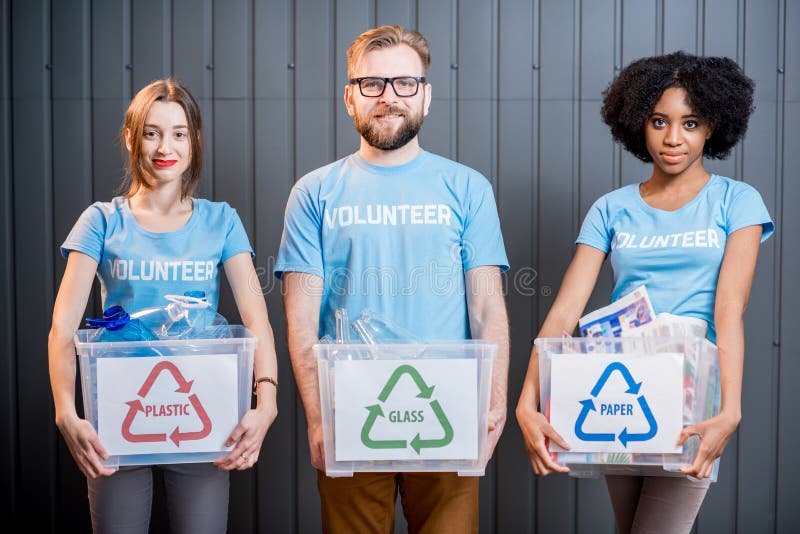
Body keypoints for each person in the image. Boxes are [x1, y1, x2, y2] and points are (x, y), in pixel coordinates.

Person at [516, 51, 774, 534]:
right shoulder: (611, 209)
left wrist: (730, 410)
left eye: (690, 123)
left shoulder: (737, 201)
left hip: (692, 397)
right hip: (620, 390)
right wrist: (526, 401)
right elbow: (565, 311)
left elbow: (729, 308)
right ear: (638, 122)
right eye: (659, 121)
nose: (673, 138)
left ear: (712, 126)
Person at [275, 25, 510, 533]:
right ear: (350, 98)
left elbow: (488, 307)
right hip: (350, 410)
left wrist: (494, 404)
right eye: (372, 84)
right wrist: (318, 416)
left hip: (448, 408)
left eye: (405, 83)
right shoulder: (313, 193)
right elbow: (301, 319)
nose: (388, 97)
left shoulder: (468, 188)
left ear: (426, 95)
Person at [48, 78, 279, 533]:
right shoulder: (102, 221)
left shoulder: (221, 221)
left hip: (201, 407)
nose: (164, 147)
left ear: (195, 140)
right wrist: (65, 413)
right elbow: (63, 326)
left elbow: (257, 320)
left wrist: (266, 401)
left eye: (178, 133)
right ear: (130, 138)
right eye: (151, 133)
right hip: (120, 409)